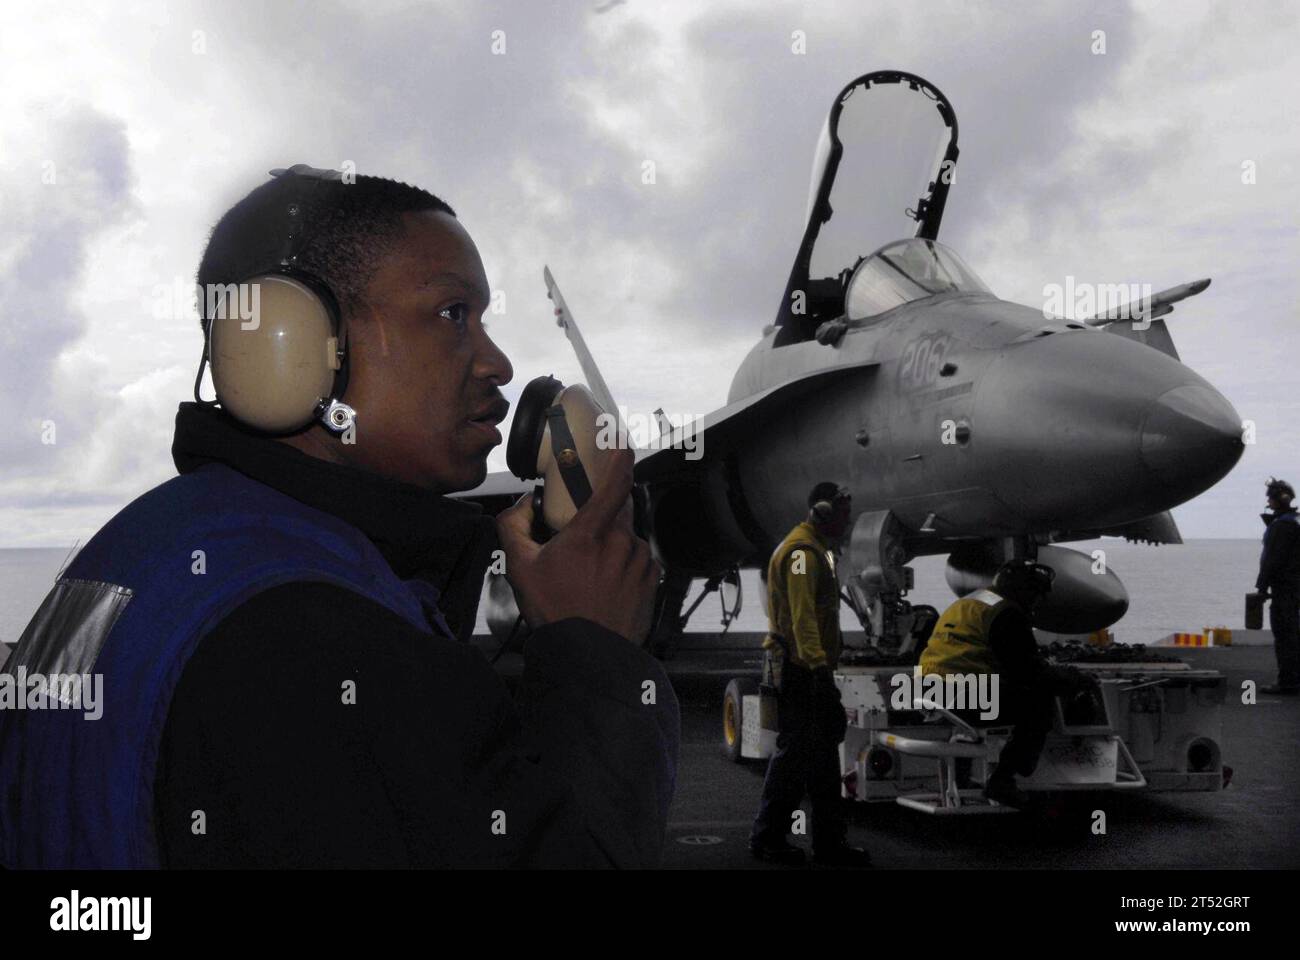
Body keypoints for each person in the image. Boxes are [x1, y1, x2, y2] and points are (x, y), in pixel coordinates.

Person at [0, 166, 678, 868]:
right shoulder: (315, 640)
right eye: (453, 314)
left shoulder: (139, 550)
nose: (499, 364)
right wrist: (597, 652)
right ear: (288, 341)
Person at [749, 482, 871, 867]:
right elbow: (802, 618)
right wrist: (820, 671)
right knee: (793, 757)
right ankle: (767, 839)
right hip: (801, 670)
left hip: (808, 668)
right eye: (843, 516)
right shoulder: (802, 553)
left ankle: (829, 845)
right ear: (821, 512)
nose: (847, 523)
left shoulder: (817, 550)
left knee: (821, 762)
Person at [920, 559, 1087, 807]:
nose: (1037, 602)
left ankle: (965, 778)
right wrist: (1074, 680)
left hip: (931, 688)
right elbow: (1029, 672)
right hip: (965, 693)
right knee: (1037, 702)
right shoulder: (1005, 613)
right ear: (1023, 591)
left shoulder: (970, 601)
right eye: (1036, 595)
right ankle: (1004, 779)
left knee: (1000, 696)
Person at [1256, 477, 1300, 694]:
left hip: (1285, 589)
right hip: (1293, 588)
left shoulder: (1282, 525)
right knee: (1293, 634)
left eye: (1271, 497)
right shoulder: (1294, 521)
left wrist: (1261, 587)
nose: (1269, 501)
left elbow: (1273, 560)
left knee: (1285, 636)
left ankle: (1288, 681)